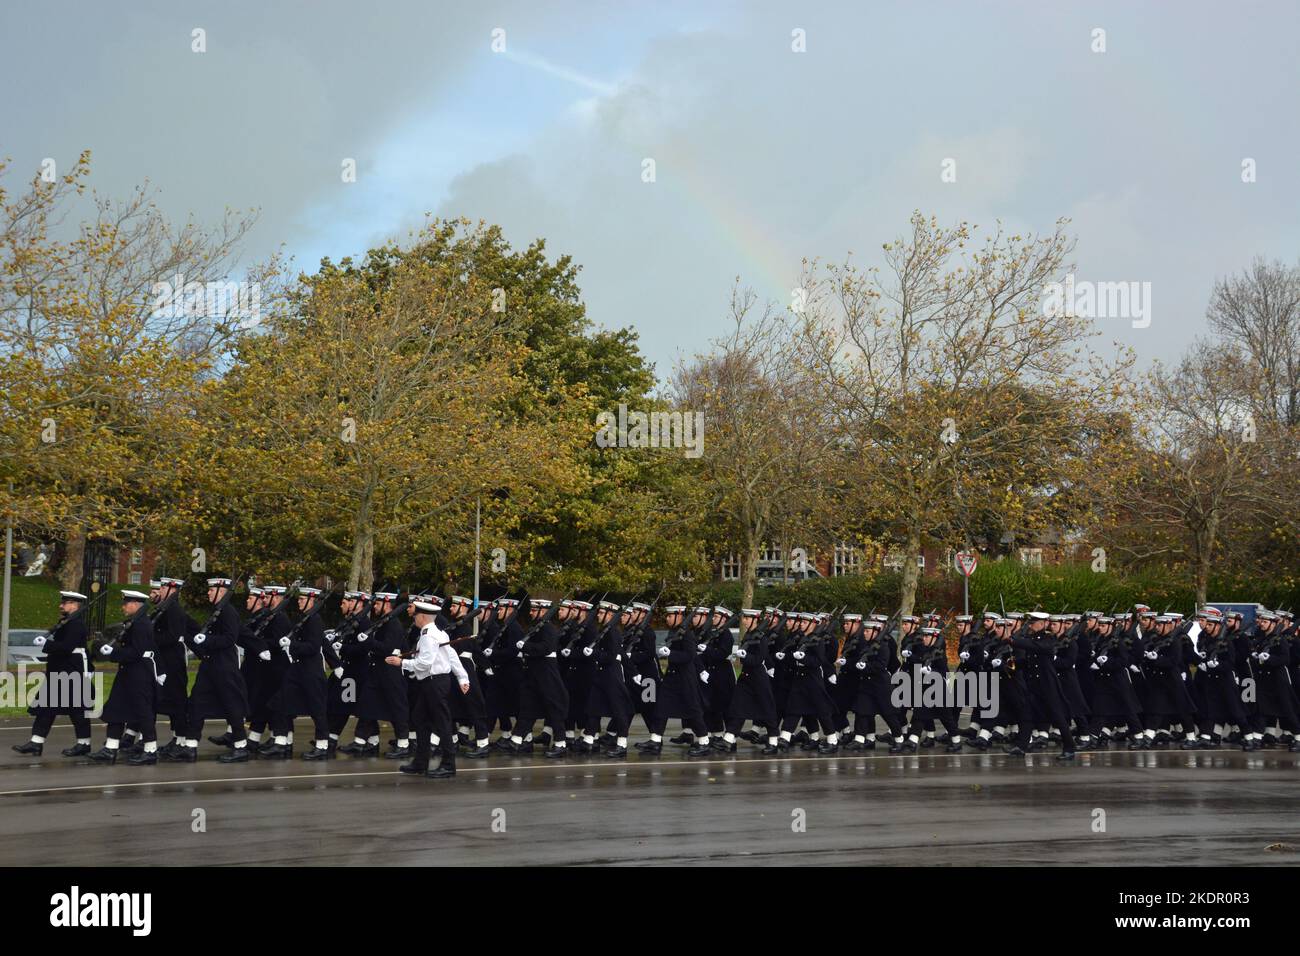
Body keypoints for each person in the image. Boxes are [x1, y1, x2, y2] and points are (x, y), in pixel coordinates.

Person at [392, 599, 470, 778]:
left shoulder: (428, 636)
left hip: (434, 682)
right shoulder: (438, 633)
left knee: (442, 723)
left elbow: (425, 664)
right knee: (420, 719)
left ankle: (449, 765)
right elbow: (451, 656)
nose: (414, 619)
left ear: (423, 616)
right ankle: (421, 762)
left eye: (416, 616)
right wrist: (462, 678)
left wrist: (401, 662)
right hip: (434, 682)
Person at [14, 590, 96, 757]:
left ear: (74, 605)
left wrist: (46, 644)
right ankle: (36, 742)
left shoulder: (76, 624)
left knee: (77, 710)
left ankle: (84, 743)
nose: (61, 605)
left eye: (64, 603)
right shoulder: (67, 622)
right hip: (60, 672)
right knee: (46, 708)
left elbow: (66, 647)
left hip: (70, 672)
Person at [89, 591, 159, 764]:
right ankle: (111, 748)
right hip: (128, 673)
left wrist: (113, 653)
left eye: (126, 603)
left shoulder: (141, 624)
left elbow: (136, 652)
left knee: (143, 713)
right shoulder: (135, 622)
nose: (123, 607)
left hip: (139, 674)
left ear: (135, 604)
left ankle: (151, 750)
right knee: (116, 710)